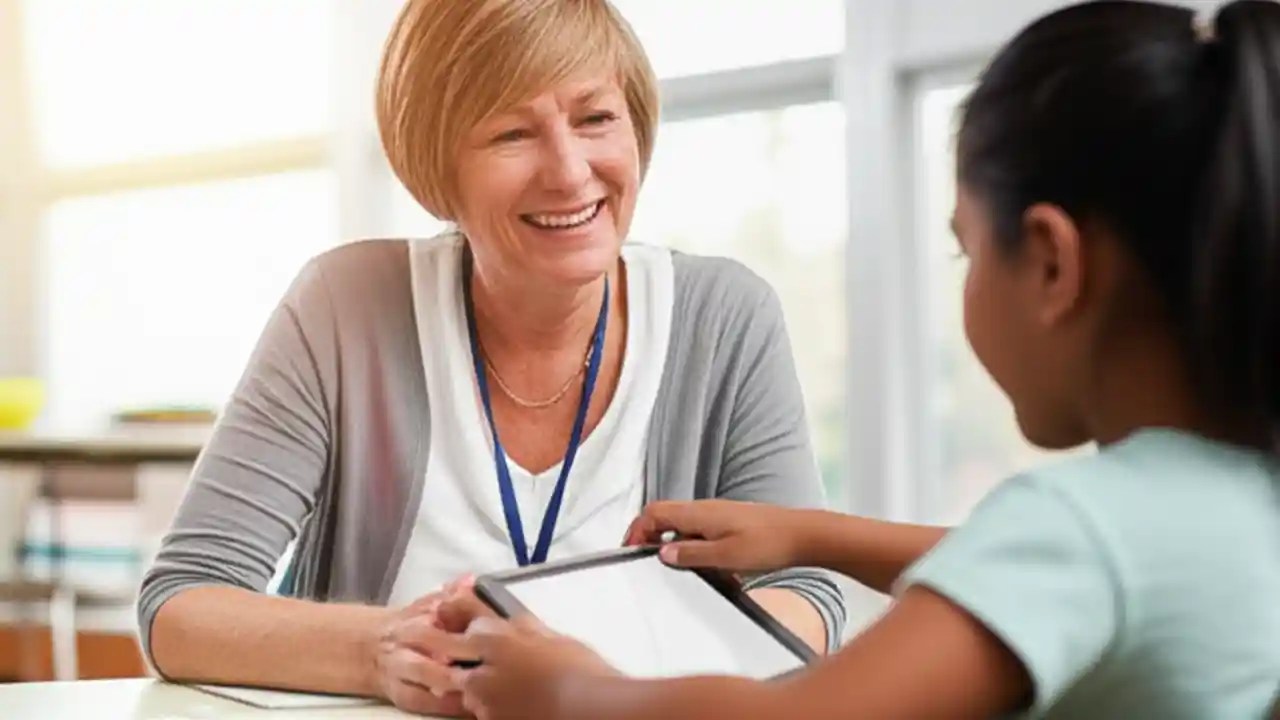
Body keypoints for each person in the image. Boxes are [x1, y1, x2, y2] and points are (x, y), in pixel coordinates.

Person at [436, 1, 1280, 717]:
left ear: (1053, 265)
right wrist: (809, 534)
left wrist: (570, 690)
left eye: (967, 252)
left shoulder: (1082, 527)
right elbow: (1014, 561)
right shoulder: (1235, 487)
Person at [135, 0, 845, 715]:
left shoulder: (724, 317)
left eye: (595, 118)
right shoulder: (345, 308)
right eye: (512, 133)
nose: (570, 174)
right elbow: (180, 603)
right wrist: (384, 651)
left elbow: (807, 593)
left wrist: (618, 690)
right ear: (438, 170)